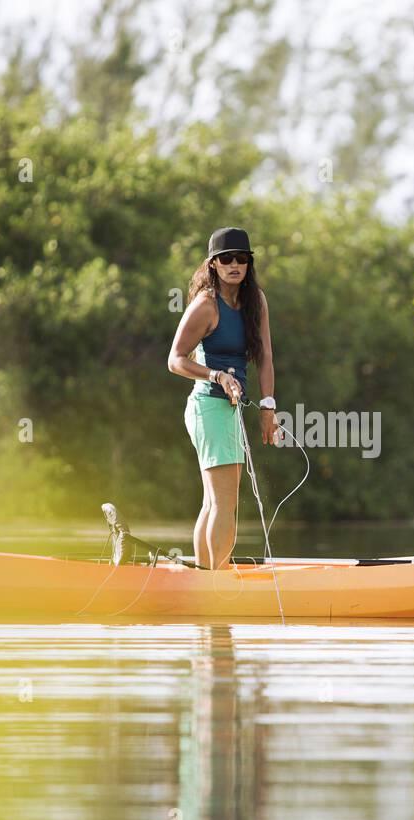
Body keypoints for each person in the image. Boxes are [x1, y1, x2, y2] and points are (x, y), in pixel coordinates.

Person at [167, 227, 278, 569]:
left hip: (228, 410)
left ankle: (204, 578)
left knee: (213, 503)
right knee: (225, 503)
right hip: (208, 407)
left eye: (241, 258)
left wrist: (267, 407)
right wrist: (215, 374)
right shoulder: (206, 305)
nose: (234, 265)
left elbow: (265, 358)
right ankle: (218, 584)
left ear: (248, 263)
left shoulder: (255, 301)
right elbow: (175, 360)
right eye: (226, 259)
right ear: (213, 264)